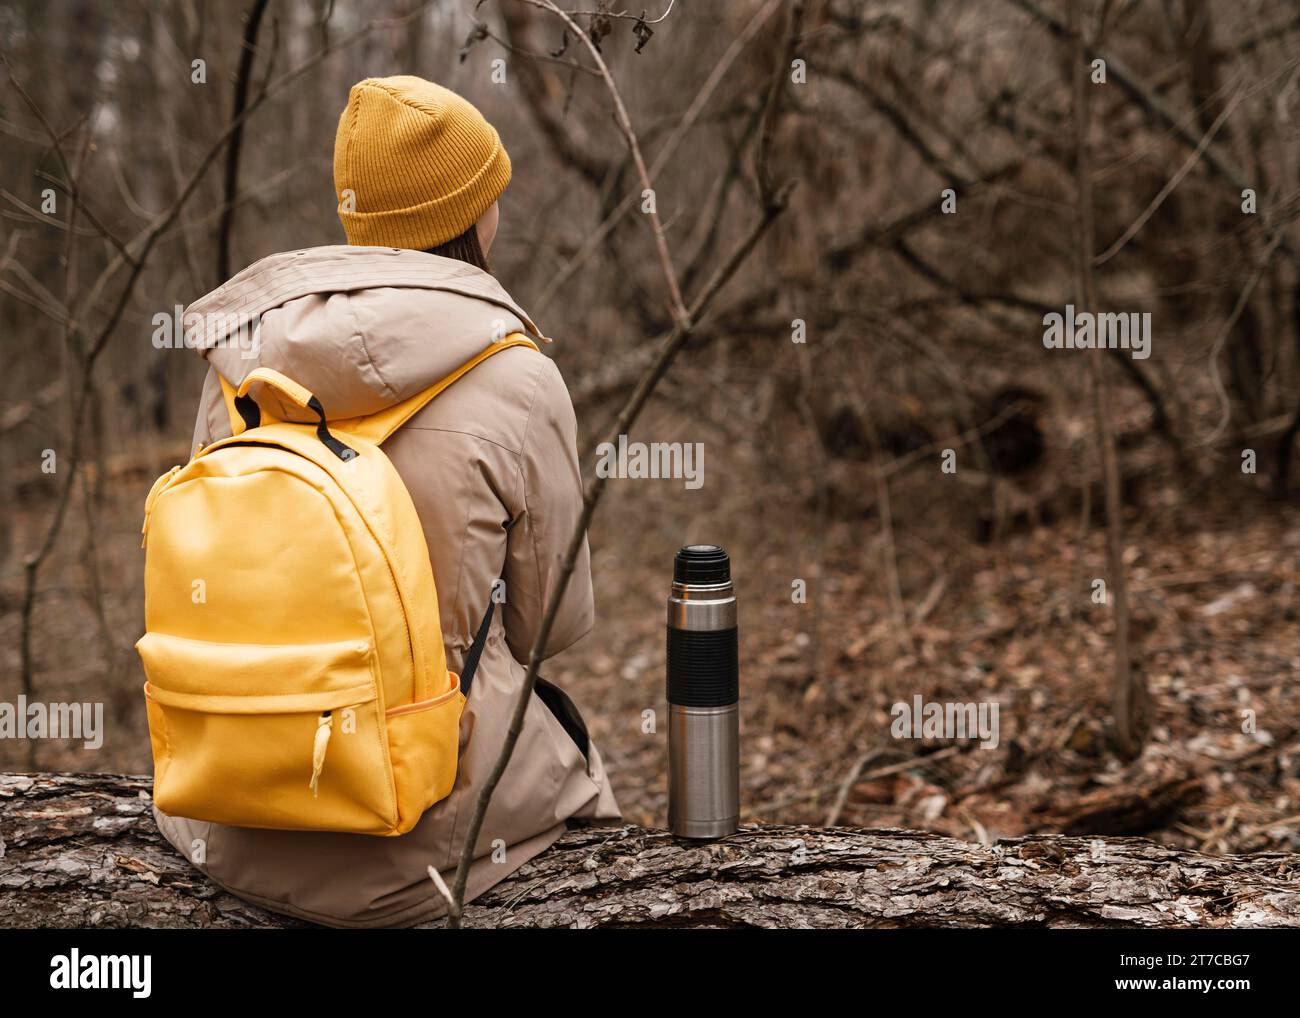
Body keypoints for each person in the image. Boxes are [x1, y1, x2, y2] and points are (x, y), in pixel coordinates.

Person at [152, 75, 620, 928]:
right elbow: (548, 628)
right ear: (474, 214)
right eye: (494, 195)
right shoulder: (519, 377)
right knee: (573, 760)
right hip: (430, 839)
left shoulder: (238, 363)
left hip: (228, 814)